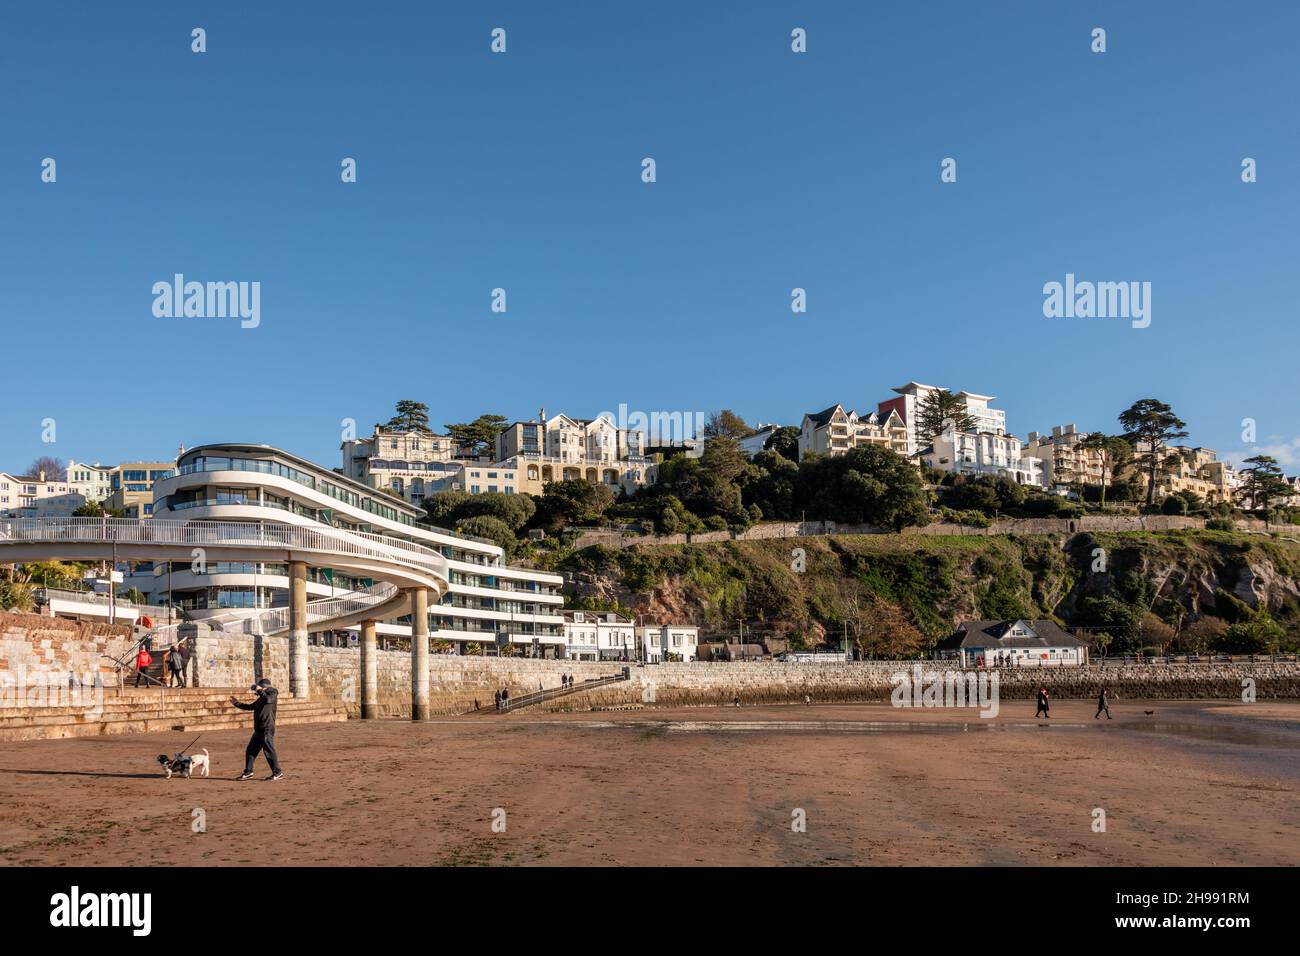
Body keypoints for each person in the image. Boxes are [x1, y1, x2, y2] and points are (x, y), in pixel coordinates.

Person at [231, 679, 283, 780]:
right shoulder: (260, 699)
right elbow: (250, 706)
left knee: (268, 750)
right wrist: (236, 703)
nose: (256, 690)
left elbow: (268, 699)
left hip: (267, 728)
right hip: (259, 729)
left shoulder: (273, 692)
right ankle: (248, 772)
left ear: (264, 687)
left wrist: (259, 690)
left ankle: (277, 772)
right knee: (251, 750)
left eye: (259, 687)